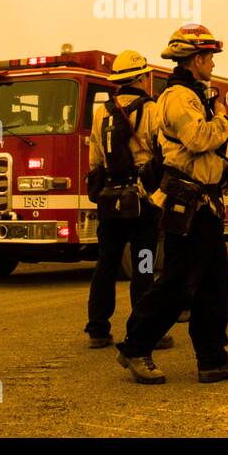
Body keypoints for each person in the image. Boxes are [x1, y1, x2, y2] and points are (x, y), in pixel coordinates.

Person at [116, 24, 228, 384]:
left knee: (213, 286)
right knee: (178, 283)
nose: (213, 65)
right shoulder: (177, 97)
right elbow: (199, 138)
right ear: (196, 59)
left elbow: (198, 157)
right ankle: (135, 346)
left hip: (203, 204)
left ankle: (212, 359)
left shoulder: (194, 95)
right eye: (209, 58)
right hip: (185, 205)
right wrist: (224, 120)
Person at [84, 50, 173, 350]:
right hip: (142, 201)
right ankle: (142, 327)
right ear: (142, 78)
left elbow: (95, 159)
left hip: (110, 200)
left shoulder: (101, 113)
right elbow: (161, 151)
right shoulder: (151, 110)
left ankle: (98, 329)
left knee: (105, 264)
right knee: (144, 264)